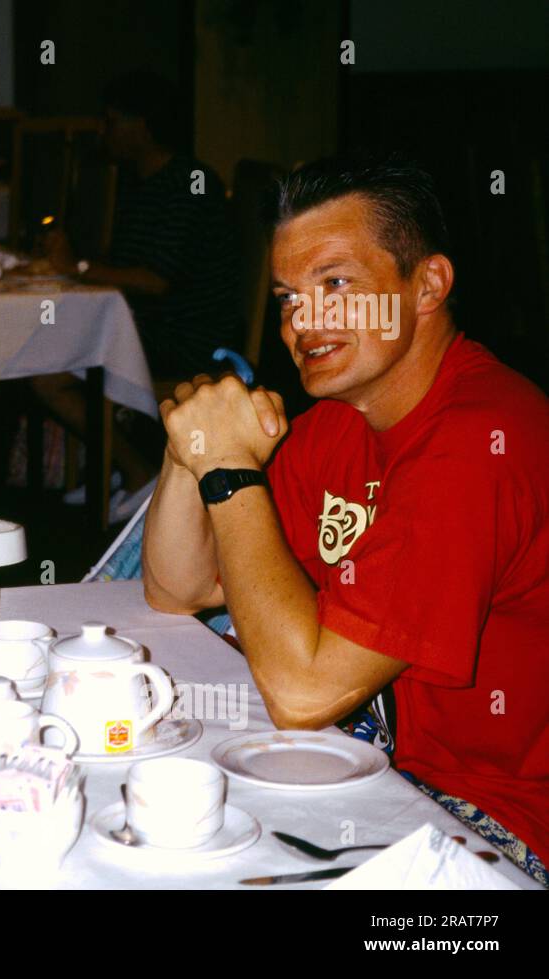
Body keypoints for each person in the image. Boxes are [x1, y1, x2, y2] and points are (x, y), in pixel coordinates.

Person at [142, 153, 549, 885]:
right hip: (377, 782)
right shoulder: (342, 421)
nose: (304, 322)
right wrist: (194, 449)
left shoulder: (482, 441)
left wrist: (232, 473)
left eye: (336, 284)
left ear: (426, 285)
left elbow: (303, 693)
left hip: (495, 830)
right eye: (289, 296)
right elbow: (180, 586)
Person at [31, 72, 239, 522]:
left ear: (141, 126)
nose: (102, 132)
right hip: (149, 320)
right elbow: (124, 265)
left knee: (46, 372)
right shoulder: (139, 180)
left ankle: (136, 469)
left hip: (190, 332)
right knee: (41, 348)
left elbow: (155, 281)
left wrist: (78, 269)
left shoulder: (189, 182)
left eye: (111, 122)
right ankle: (113, 466)